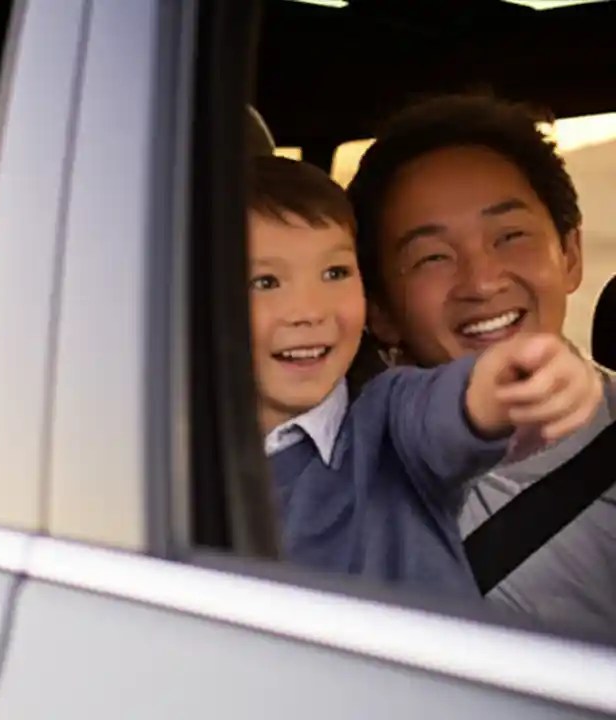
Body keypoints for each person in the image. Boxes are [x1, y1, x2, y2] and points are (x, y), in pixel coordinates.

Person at [249, 156, 603, 598]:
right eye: (264, 282)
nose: (310, 311)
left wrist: (498, 387)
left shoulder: (383, 422)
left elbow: (442, 410)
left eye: (335, 273)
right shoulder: (164, 451)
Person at [347, 94, 616, 631]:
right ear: (379, 311)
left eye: (510, 236)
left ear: (570, 255)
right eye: (431, 257)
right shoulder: (354, 473)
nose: (482, 281)